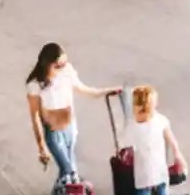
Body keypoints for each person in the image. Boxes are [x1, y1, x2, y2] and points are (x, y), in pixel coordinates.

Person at [25, 43, 119, 179]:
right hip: (53, 131)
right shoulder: (35, 85)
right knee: (68, 169)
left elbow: (84, 89)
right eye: (58, 66)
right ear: (48, 64)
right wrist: (41, 146)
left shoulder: (67, 72)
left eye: (64, 64)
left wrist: (106, 91)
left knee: (70, 168)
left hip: (70, 127)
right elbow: (34, 116)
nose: (62, 68)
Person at [123, 85, 187, 195]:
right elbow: (171, 140)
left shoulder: (132, 127)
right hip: (160, 169)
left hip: (143, 174)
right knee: (163, 194)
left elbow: (123, 145)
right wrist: (178, 155)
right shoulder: (159, 120)